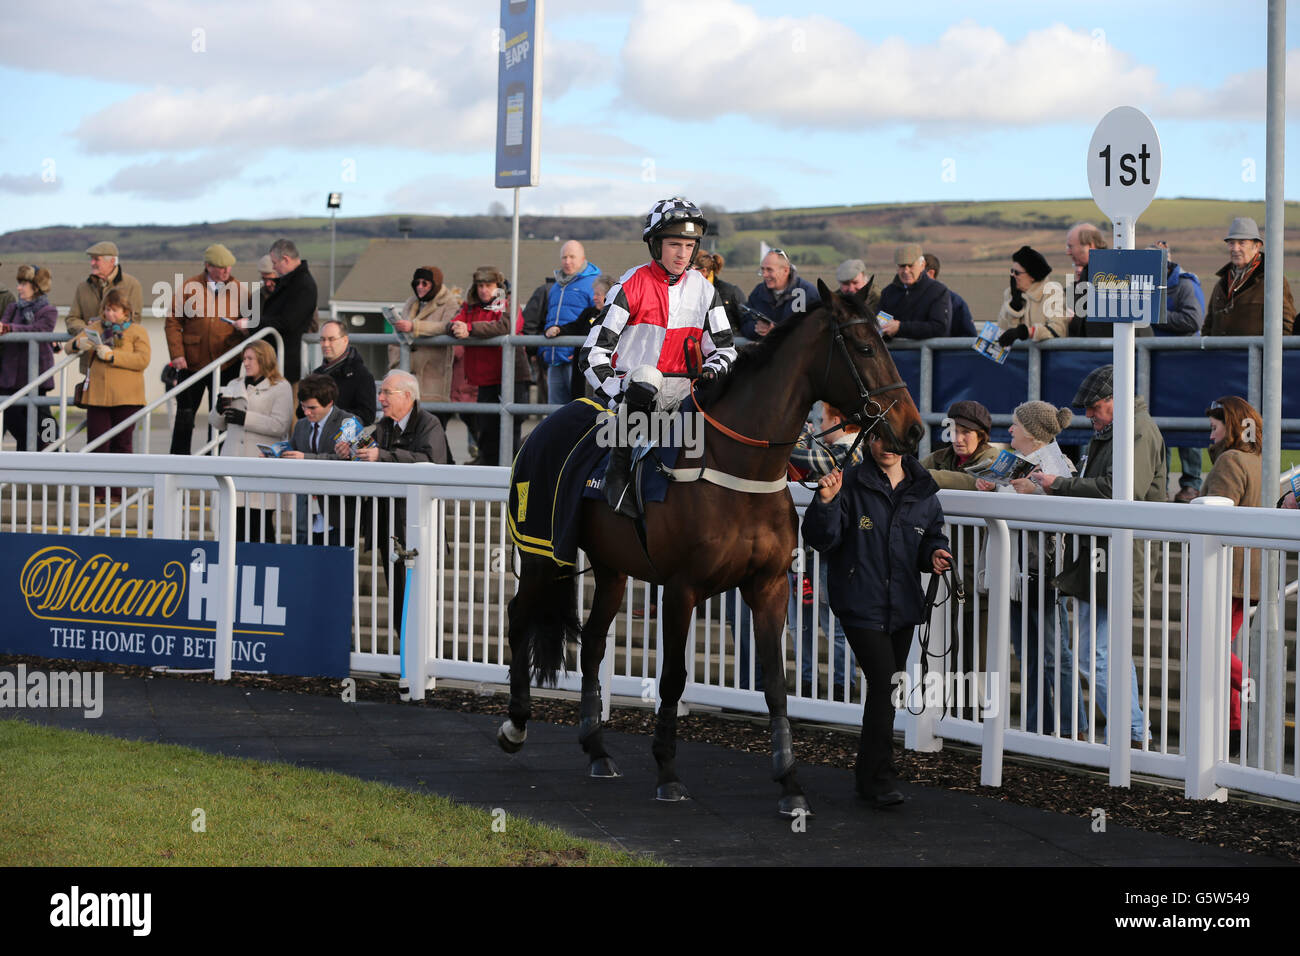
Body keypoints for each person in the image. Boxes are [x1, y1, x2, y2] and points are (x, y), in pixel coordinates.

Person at [801, 431, 952, 807]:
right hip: (859, 600)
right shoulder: (849, 482)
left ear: (909, 444)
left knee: (887, 689)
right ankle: (878, 779)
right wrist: (826, 502)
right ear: (870, 442)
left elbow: (932, 534)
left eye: (896, 440)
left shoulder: (923, 490)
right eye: (882, 439)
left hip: (901, 603)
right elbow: (822, 540)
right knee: (886, 686)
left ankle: (870, 777)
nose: (888, 446)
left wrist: (935, 552)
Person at [579, 197, 736, 517]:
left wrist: (714, 369)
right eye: (674, 244)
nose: (683, 254)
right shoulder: (629, 284)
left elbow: (726, 349)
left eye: (690, 245)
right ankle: (618, 472)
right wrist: (618, 392)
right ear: (654, 244)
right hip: (636, 397)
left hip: (686, 397)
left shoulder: (706, 290)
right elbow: (593, 354)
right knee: (648, 375)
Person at [1034, 364, 1164, 745]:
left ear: (1114, 400)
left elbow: (1119, 492)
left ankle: (1134, 732)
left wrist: (1057, 484)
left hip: (1118, 556)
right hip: (1104, 555)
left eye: (1094, 407)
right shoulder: (1121, 429)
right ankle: (1134, 731)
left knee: (1097, 654)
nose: (1088, 414)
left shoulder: (1137, 431)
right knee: (1103, 653)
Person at [985, 402, 1080, 735]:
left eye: (1015, 424)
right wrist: (990, 488)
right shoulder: (1016, 462)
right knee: (1028, 654)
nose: (1009, 430)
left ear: (1031, 431)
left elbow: (1069, 513)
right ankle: (1037, 724)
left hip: (1043, 572)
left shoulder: (1059, 464)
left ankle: (1072, 727)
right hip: (1017, 571)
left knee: (1055, 654)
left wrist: (1037, 492)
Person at [332, 370, 450, 629]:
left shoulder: (430, 423)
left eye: (386, 392)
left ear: (408, 396)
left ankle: (421, 657)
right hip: (389, 524)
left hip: (417, 525)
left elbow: (430, 461)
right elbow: (363, 451)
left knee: (419, 594)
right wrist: (347, 450)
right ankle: (403, 658)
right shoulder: (381, 425)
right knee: (397, 592)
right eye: (380, 392)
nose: (380, 398)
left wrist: (381, 456)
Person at [921, 400, 999, 716]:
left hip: (978, 574)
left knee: (975, 651)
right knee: (942, 644)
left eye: (966, 432)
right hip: (943, 568)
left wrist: (931, 478)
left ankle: (974, 716)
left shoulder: (993, 457)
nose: (958, 438)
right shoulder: (941, 458)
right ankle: (947, 712)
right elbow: (913, 472)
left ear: (981, 435)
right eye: (954, 430)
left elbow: (981, 481)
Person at [1197, 396, 1263, 754]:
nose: (1210, 434)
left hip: (1225, 573)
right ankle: (1234, 729)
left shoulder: (1230, 460)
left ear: (1232, 427)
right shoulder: (1256, 460)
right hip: (1244, 575)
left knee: (1206, 647)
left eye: (1214, 427)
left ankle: (1250, 684)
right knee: (1216, 647)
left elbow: (1214, 517)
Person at [788, 402, 863, 699]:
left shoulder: (853, 449)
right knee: (800, 622)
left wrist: (791, 437)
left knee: (832, 623)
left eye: (823, 420)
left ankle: (842, 685)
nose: (819, 426)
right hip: (808, 547)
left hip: (832, 549)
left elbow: (811, 460)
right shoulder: (838, 447)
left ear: (838, 420)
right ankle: (808, 682)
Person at [64, 288, 150, 496]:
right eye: (107, 310)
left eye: (114, 310)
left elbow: (142, 360)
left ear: (126, 311)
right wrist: (79, 343)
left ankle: (118, 492)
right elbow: (68, 347)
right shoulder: (96, 328)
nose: (109, 314)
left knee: (122, 444)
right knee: (97, 443)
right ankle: (100, 492)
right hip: (98, 397)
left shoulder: (138, 331)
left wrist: (113, 356)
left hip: (127, 397)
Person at [165, 244, 248, 455]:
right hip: (191, 363)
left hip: (227, 364)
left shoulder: (241, 290)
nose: (226, 271)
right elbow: (173, 321)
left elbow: (252, 324)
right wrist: (177, 355)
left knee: (221, 418)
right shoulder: (188, 287)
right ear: (208, 266)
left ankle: (219, 466)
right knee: (185, 416)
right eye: (221, 267)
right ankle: (177, 465)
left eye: (229, 267)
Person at [210, 340, 293, 542]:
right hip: (234, 461)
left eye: (250, 358)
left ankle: (265, 565)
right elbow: (218, 424)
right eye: (244, 359)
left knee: (260, 524)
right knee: (234, 523)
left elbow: (280, 425)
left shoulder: (280, 387)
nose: (246, 363)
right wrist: (219, 410)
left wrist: (245, 418)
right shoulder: (234, 384)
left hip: (260, 461)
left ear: (264, 360)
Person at [1149, 242, 1207, 502]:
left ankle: (1191, 484)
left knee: (1187, 428)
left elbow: (1193, 321)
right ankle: (1161, 484)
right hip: (1158, 365)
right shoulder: (1147, 286)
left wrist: (1157, 314)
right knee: (1160, 429)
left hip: (1186, 365)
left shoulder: (1184, 285)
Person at [453, 266, 529, 465]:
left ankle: (511, 468)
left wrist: (469, 328)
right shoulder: (469, 306)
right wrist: (457, 326)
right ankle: (487, 466)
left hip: (512, 373)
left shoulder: (508, 302)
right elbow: (455, 322)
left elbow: (507, 326)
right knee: (486, 425)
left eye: (488, 285)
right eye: (480, 286)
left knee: (512, 424)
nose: (483, 290)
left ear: (498, 286)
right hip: (485, 377)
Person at [282, 373, 354, 544]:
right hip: (306, 512)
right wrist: (275, 454)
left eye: (312, 408)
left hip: (338, 511)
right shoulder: (301, 425)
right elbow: (292, 450)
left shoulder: (349, 422)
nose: (306, 412)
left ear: (329, 403)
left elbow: (348, 461)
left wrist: (305, 458)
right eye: (303, 406)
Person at [391, 266, 459, 427]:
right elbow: (400, 336)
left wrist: (415, 327)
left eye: (425, 283)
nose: (419, 287)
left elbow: (446, 326)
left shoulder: (450, 303)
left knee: (434, 434)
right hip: (407, 381)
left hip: (434, 382)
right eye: (417, 283)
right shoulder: (410, 302)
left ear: (435, 284)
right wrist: (395, 364)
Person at [1204, 216, 1295, 336]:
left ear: (1257, 246)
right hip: (1220, 354)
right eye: (1231, 243)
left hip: (1256, 354)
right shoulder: (1221, 283)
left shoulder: (1272, 280)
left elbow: (1287, 325)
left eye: (1242, 243)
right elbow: (1208, 325)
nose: (1235, 249)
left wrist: (1270, 354)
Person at [0, 265, 58, 450]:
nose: (19, 288)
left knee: (44, 418)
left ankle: (56, 450)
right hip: (12, 377)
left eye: (24, 284)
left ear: (36, 286)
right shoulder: (13, 307)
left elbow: (40, 329)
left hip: (36, 376)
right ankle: (37, 451)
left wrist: (10, 329)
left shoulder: (49, 311)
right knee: (11, 416)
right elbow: (4, 325)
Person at [540, 241, 601, 406]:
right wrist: (544, 351)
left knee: (577, 409)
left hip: (577, 360)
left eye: (572, 257)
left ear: (583, 258)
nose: (567, 261)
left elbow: (596, 319)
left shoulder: (593, 284)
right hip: (554, 357)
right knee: (555, 413)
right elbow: (548, 319)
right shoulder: (555, 287)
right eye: (564, 257)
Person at [66, 241, 143, 361]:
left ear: (112, 261)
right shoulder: (83, 287)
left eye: (96, 259)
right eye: (91, 259)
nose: (92, 263)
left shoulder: (132, 285)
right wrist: (88, 332)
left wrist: (104, 327)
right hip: (91, 362)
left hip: (120, 360)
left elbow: (135, 319)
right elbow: (72, 319)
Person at [546, 273, 615, 402]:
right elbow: (575, 326)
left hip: (604, 373)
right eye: (594, 294)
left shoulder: (616, 316)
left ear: (609, 295)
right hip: (583, 374)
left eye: (598, 295)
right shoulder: (589, 312)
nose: (594, 298)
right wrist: (558, 329)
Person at [261, 239, 319, 385]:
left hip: (289, 367)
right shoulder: (293, 282)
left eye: (274, 263)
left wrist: (253, 324)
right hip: (279, 362)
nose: (274, 268)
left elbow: (288, 322)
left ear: (285, 259)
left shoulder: (303, 285)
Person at [877, 244, 951, 340]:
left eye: (911, 266)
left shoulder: (938, 291)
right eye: (902, 266)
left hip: (926, 353)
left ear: (922, 265)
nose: (906, 271)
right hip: (893, 353)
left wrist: (900, 328)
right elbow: (879, 325)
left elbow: (939, 328)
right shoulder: (887, 293)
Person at [996, 246, 1067, 346]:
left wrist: (1026, 332)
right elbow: (1001, 332)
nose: (1012, 276)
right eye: (1011, 271)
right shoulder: (1010, 293)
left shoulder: (1052, 292)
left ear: (1032, 276)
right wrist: (1014, 307)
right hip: (1018, 357)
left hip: (1045, 357)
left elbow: (1059, 329)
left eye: (1017, 273)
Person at [743, 248, 820, 338]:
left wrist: (777, 331)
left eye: (769, 270)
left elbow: (817, 328)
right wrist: (756, 328)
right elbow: (744, 324)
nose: (764, 274)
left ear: (786, 271)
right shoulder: (758, 292)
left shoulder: (808, 293)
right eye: (762, 270)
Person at [312, 319, 376, 425]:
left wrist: (330, 415)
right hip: (317, 437)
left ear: (345, 340)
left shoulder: (361, 375)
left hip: (346, 438)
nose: (325, 344)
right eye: (322, 339)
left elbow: (367, 415)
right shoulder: (316, 375)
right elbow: (301, 412)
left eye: (331, 339)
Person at [923, 253, 975, 336]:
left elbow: (968, 337)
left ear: (931, 273)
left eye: (918, 272)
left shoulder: (955, 301)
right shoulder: (905, 297)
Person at [693, 251, 746, 329]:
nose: (687, 273)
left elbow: (744, 321)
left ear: (703, 271)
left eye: (690, 269)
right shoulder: (686, 291)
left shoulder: (731, 292)